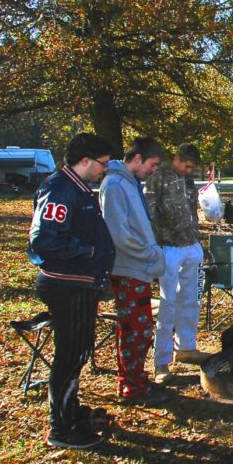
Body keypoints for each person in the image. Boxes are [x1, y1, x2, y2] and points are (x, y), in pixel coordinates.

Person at [28, 133, 115, 450]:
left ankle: (70, 411)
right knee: (70, 355)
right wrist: (91, 252)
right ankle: (61, 428)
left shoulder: (78, 189)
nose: (104, 170)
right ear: (85, 161)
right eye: (102, 164)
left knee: (78, 352)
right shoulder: (60, 189)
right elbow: (44, 241)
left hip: (81, 285)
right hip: (67, 285)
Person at [99, 136, 170, 405]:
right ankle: (131, 387)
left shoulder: (130, 183)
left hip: (139, 268)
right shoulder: (115, 184)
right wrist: (150, 253)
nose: (154, 170)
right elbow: (119, 235)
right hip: (127, 269)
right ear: (137, 158)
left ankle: (136, 379)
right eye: (152, 164)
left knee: (140, 329)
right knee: (135, 330)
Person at [146, 143, 211, 384]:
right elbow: (150, 211)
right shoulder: (157, 176)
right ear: (176, 158)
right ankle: (161, 362)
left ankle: (186, 347)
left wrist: (196, 237)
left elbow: (192, 211)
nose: (189, 170)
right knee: (168, 303)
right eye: (187, 165)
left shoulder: (188, 180)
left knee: (192, 298)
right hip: (168, 246)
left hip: (190, 244)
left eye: (193, 167)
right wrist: (155, 244)